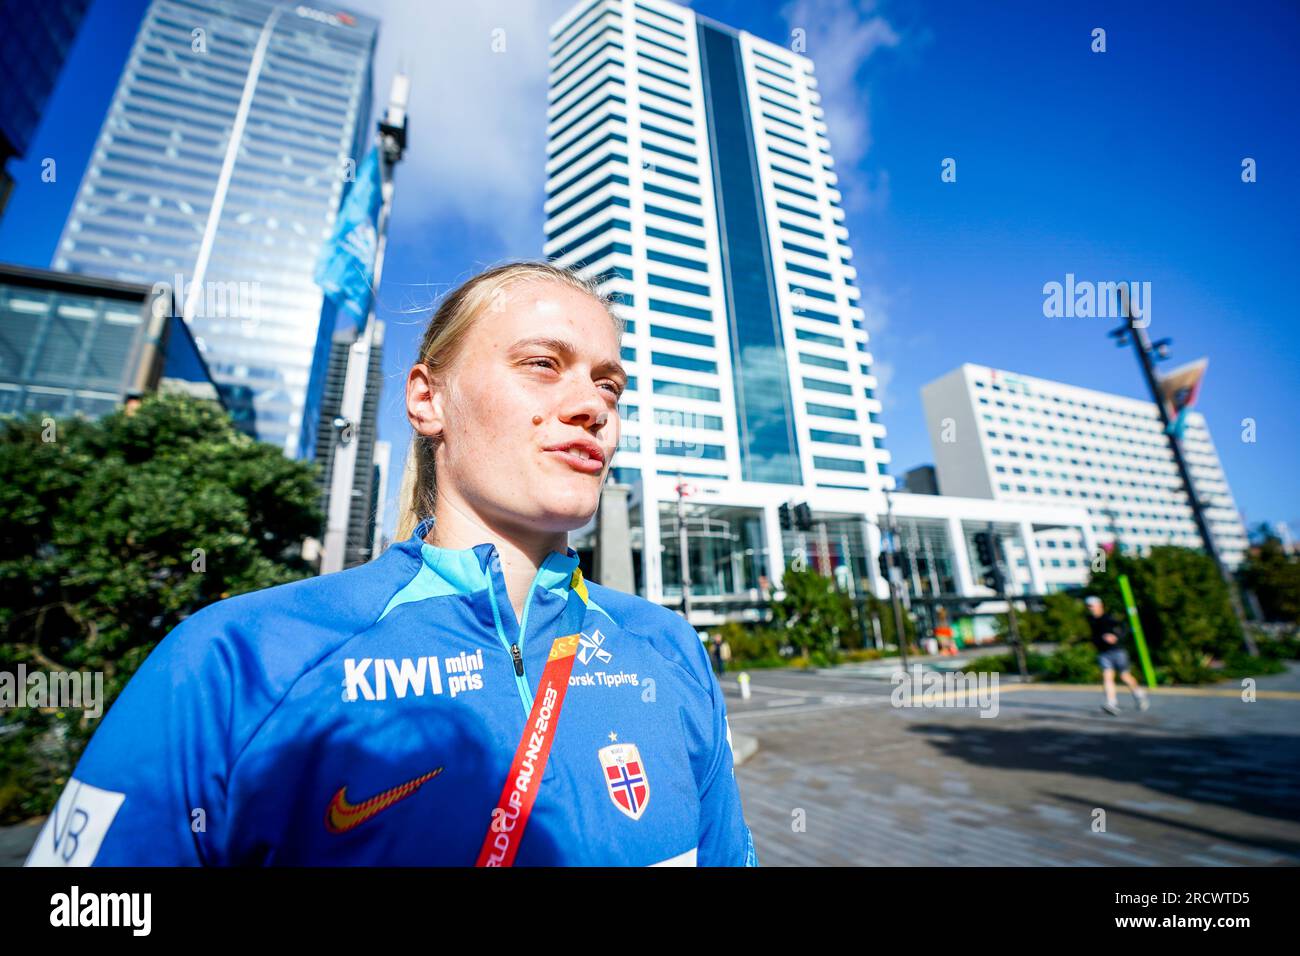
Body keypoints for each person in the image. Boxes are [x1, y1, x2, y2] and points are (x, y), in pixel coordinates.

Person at [25, 261, 758, 867]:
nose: (590, 406)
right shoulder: (237, 662)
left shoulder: (670, 649)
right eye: (542, 364)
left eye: (608, 384)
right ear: (426, 397)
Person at [1085, 595, 1150, 716]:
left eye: (1092, 606)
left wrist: (1116, 637)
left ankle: (1139, 694)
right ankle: (1111, 703)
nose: (1091, 608)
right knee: (1107, 676)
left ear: (1100, 605)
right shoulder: (1091, 620)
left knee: (1125, 676)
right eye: (1089, 606)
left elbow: (1124, 628)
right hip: (1104, 653)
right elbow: (1094, 636)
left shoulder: (1109, 618)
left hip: (1118, 651)